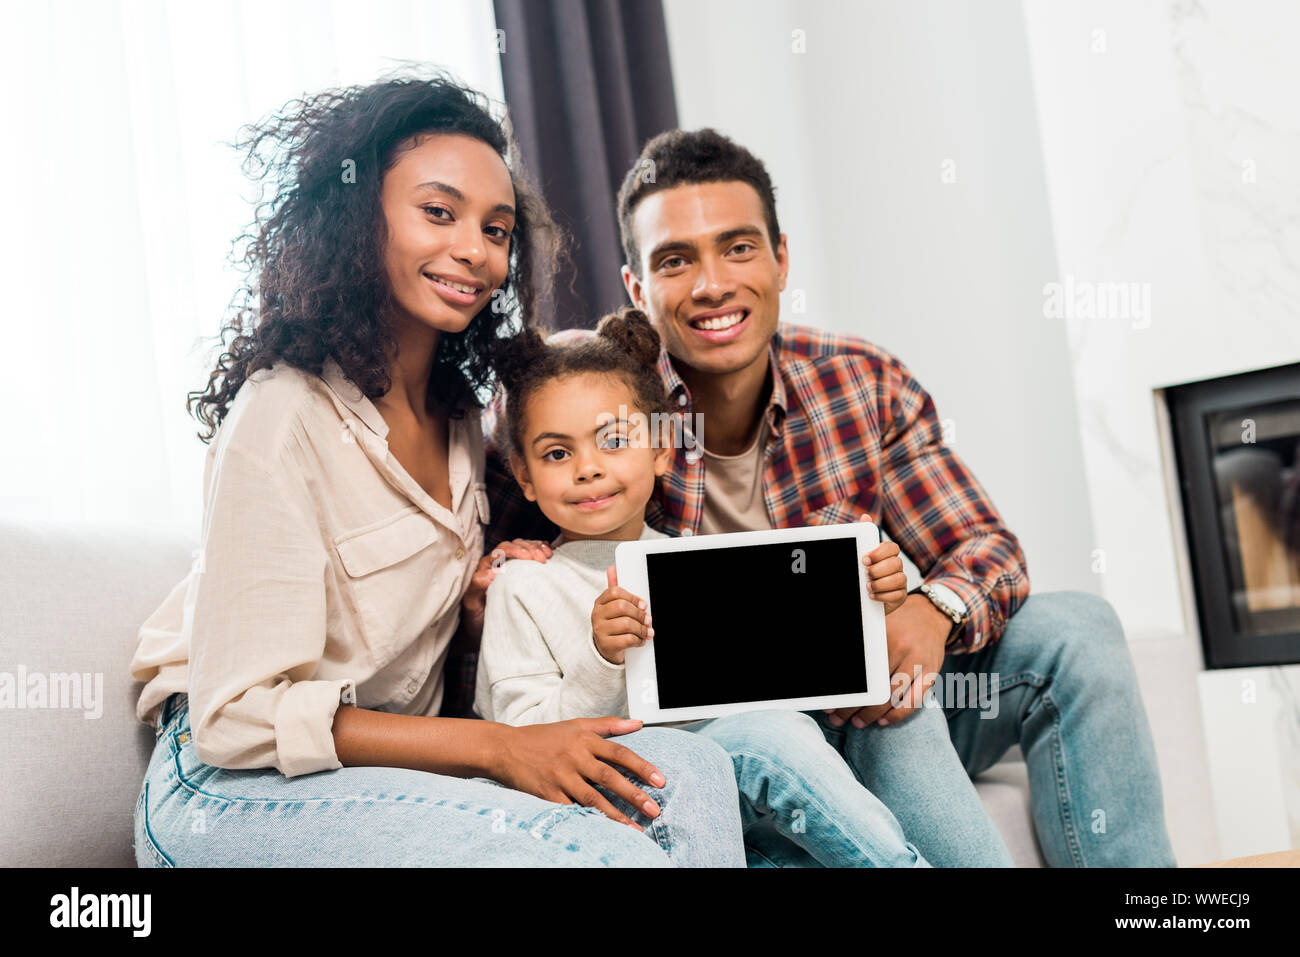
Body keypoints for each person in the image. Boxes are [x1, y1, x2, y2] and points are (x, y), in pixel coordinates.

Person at [477, 128, 1178, 867]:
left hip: (872, 689)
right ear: (637, 288)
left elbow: (984, 550)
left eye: (739, 247)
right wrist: (494, 573)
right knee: (806, 724)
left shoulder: (858, 378)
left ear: (782, 259)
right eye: (676, 260)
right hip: (742, 722)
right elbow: (530, 592)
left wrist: (926, 611)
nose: (712, 284)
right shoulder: (596, 403)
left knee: (1078, 624)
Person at [128, 74, 745, 868]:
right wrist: (494, 748)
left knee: (687, 769)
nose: (474, 250)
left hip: (379, 763)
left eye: (496, 229)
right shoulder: (281, 415)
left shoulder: (462, 419)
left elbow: (592, 426)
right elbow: (236, 716)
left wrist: (487, 596)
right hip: (231, 783)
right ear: (357, 218)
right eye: (437, 212)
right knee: (601, 853)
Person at [473, 308, 930, 867]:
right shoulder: (522, 584)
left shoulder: (691, 562)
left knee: (805, 746)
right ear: (524, 476)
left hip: (733, 788)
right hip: (637, 780)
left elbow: (792, 667)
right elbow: (521, 738)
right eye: (557, 453)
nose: (587, 468)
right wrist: (601, 657)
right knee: (771, 736)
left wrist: (881, 589)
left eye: (613, 441)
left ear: (663, 450)